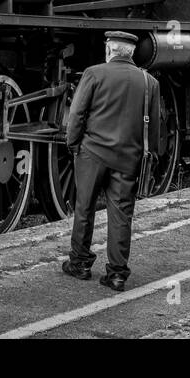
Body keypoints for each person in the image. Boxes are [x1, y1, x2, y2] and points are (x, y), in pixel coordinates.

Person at [62, 30, 159, 291]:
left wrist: (73, 143)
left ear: (109, 50)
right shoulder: (149, 82)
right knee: (121, 214)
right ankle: (117, 274)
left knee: (85, 208)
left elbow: (77, 113)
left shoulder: (94, 73)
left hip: (92, 153)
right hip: (127, 159)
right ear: (131, 53)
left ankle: (80, 264)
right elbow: (154, 130)